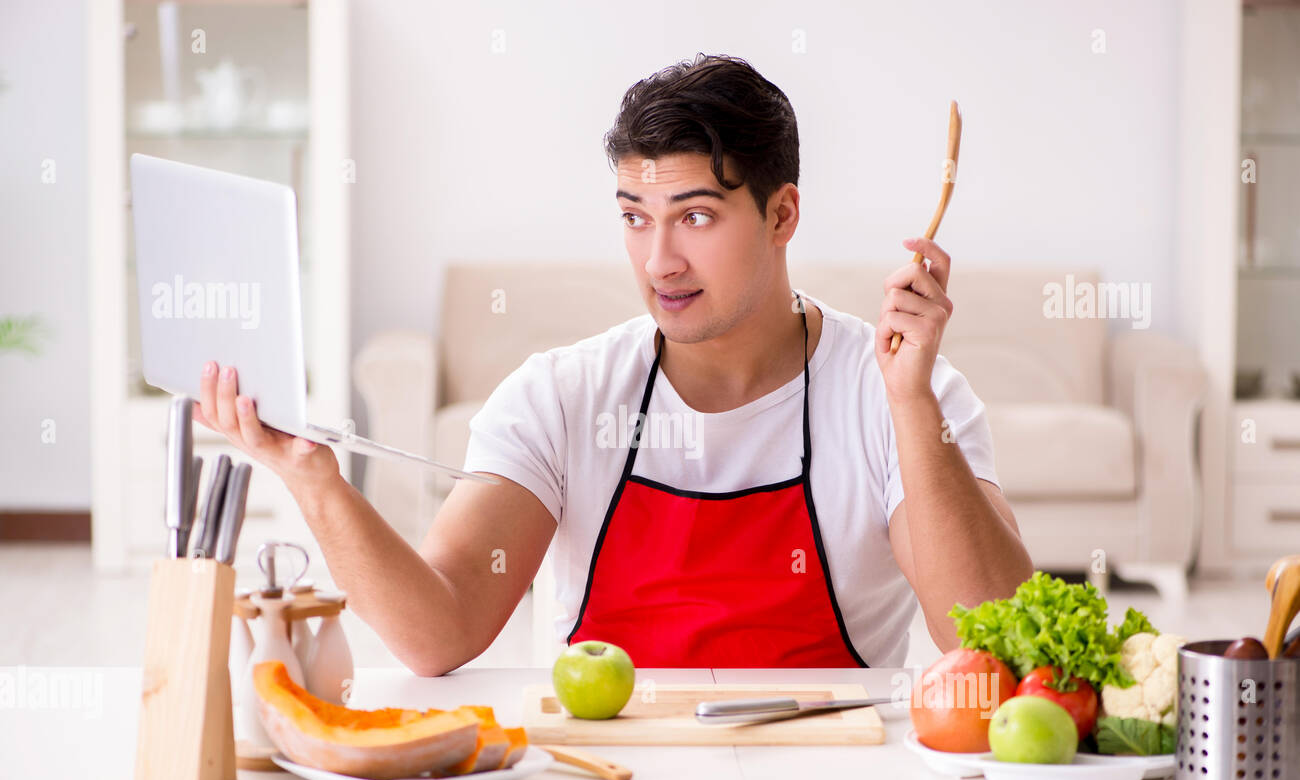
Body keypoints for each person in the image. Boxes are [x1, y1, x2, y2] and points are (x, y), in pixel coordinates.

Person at [194, 53, 1034, 675]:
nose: (659, 259)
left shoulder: (895, 395)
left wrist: (913, 405)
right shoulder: (562, 396)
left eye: (696, 217)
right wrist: (312, 476)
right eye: (635, 217)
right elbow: (438, 630)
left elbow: (992, 641)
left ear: (783, 215)